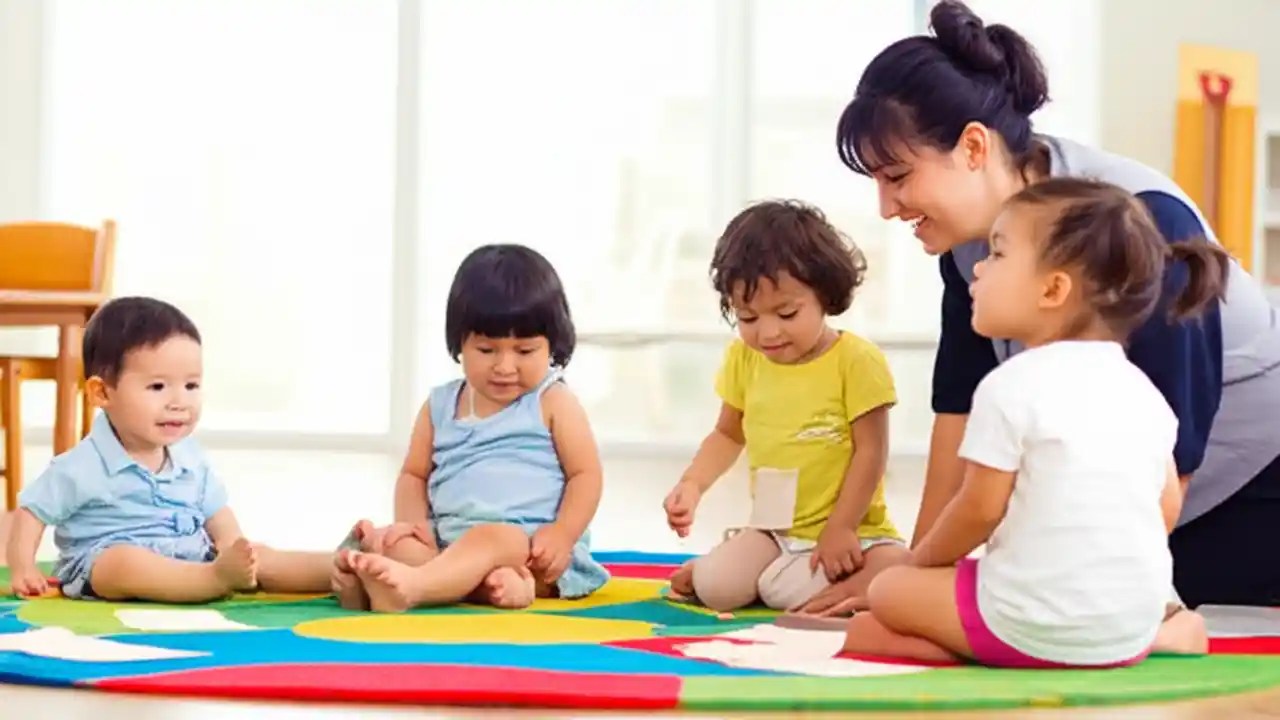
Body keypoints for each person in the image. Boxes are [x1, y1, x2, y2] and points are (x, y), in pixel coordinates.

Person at [800, 0, 1280, 615]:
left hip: (1251, 484)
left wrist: (1111, 583)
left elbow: (1172, 447)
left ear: (974, 147)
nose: (887, 207)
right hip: (1132, 496)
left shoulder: (1138, 222)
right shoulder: (973, 240)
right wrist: (916, 570)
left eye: (896, 177)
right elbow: (959, 406)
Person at [843, 178, 1216, 666]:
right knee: (963, 590)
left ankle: (993, 649)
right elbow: (1163, 509)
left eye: (997, 254)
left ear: (1053, 289)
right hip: (1127, 626)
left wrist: (919, 564)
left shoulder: (1011, 386)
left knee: (887, 595)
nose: (978, 267)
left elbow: (977, 511)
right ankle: (1163, 636)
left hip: (1027, 620)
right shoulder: (1145, 394)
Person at [662, 199, 910, 612]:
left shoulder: (856, 360)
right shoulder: (744, 359)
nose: (768, 333)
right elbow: (727, 433)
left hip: (852, 530)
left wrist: (842, 527)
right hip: (773, 529)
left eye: (787, 312)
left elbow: (872, 451)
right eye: (748, 317)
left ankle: (876, 565)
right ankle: (745, 568)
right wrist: (692, 484)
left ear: (825, 295)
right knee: (717, 588)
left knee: (796, 589)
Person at [5, 297, 335, 602]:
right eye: (158, 386)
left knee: (263, 556)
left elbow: (216, 512)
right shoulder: (83, 465)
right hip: (104, 562)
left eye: (191, 385)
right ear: (102, 393)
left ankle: (341, 567)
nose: (179, 402)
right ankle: (213, 581)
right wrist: (23, 568)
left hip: (192, 554)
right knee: (123, 564)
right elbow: (32, 513)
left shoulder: (190, 458)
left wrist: (234, 548)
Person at [338, 244, 609, 612]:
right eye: (486, 350)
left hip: (528, 548)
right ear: (460, 343)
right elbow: (413, 475)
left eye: (524, 351)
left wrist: (562, 535)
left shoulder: (553, 401)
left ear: (552, 345)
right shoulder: (440, 406)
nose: (504, 366)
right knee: (391, 544)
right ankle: (473, 587)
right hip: (446, 547)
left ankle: (416, 586)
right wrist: (412, 525)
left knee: (490, 538)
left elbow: (586, 474)